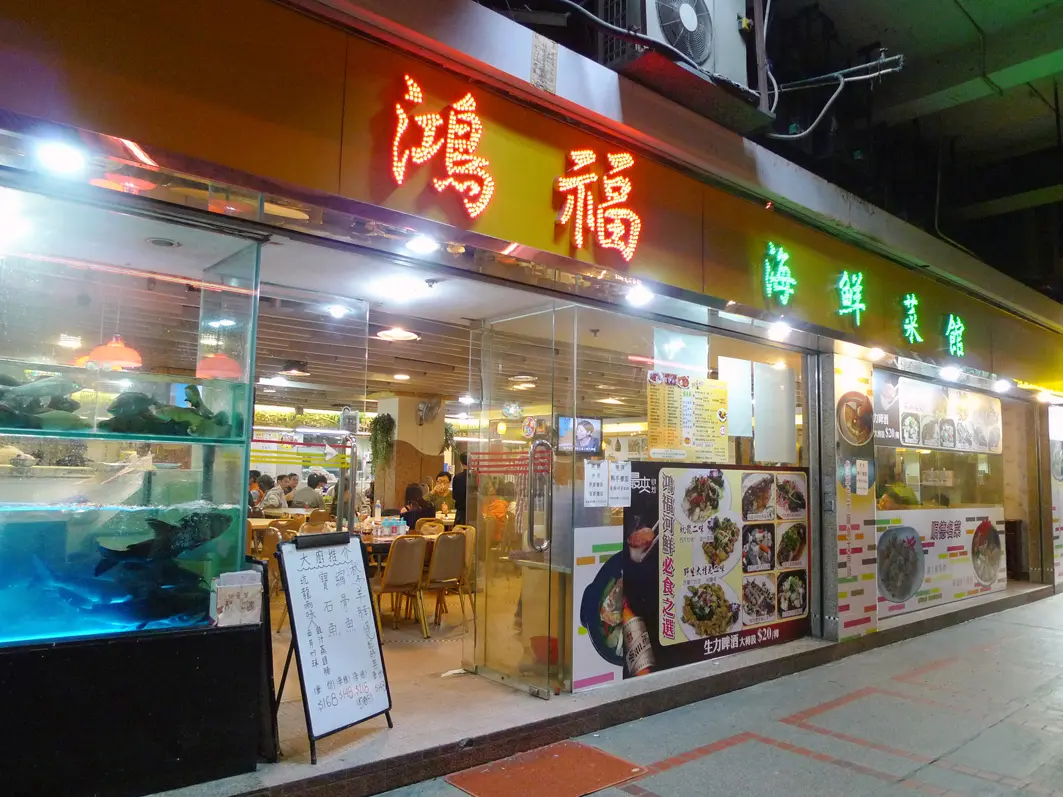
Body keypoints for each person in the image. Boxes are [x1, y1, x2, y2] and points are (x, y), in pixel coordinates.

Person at [452, 453, 468, 526]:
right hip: (476, 514)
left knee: (460, 535)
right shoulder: (477, 477)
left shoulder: (458, 478)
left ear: (461, 462)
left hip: (461, 514)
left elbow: (454, 496)